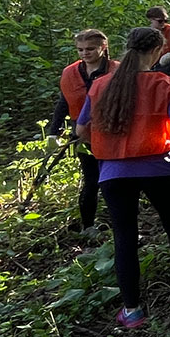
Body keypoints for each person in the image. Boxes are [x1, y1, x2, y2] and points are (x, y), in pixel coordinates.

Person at [78, 26, 170, 329]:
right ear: (158, 51)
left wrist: (106, 149)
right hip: (158, 167)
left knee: (124, 237)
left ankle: (132, 310)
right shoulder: (166, 83)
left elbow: (81, 130)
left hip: (114, 172)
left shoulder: (100, 85)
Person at [49, 29, 118, 239]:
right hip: (83, 134)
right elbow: (64, 102)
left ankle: (121, 225)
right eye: (80, 50)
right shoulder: (71, 73)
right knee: (91, 180)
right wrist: (53, 132)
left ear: (103, 48)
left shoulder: (116, 70)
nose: (84, 53)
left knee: (116, 180)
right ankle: (88, 226)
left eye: (90, 49)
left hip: (114, 133)